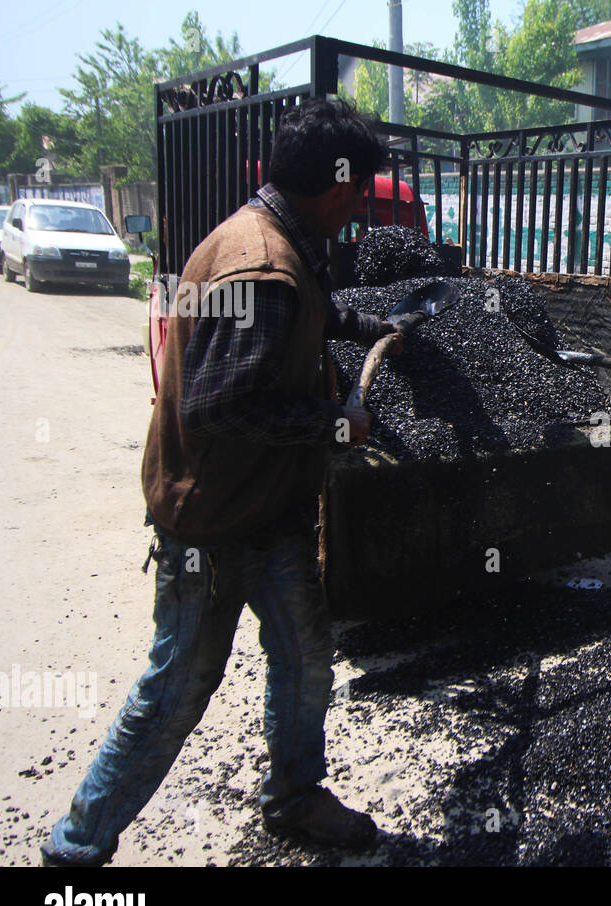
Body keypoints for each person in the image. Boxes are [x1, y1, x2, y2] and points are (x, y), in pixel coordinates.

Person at [42, 98, 408, 865]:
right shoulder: (266, 265)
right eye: (361, 189)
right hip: (211, 523)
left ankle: (294, 795)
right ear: (338, 187)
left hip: (265, 513)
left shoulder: (261, 237)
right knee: (178, 688)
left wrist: (365, 328)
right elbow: (219, 407)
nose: (359, 208)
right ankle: (76, 851)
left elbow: (290, 320)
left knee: (304, 654)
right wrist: (336, 423)